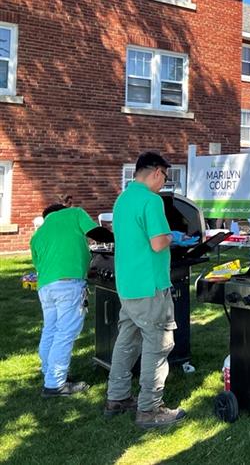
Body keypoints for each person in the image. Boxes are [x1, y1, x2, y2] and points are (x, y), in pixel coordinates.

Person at [105, 152, 186, 429]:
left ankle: (117, 397)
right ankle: (150, 409)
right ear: (156, 172)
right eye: (165, 177)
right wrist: (173, 236)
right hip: (150, 286)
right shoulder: (152, 201)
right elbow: (157, 242)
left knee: (126, 341)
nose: (164, 183)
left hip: (128, 284)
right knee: (158, 344)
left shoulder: (122, 199)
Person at [31, 203, 113, 397]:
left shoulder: (38, 235)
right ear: (62, 210)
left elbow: (40, 264)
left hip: (45, 287)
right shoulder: (74, 213)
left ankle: (49, 372)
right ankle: (55, 384)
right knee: (65, 333)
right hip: (68, 284)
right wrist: (121, 236)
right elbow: (97, 234)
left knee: (50, 330)